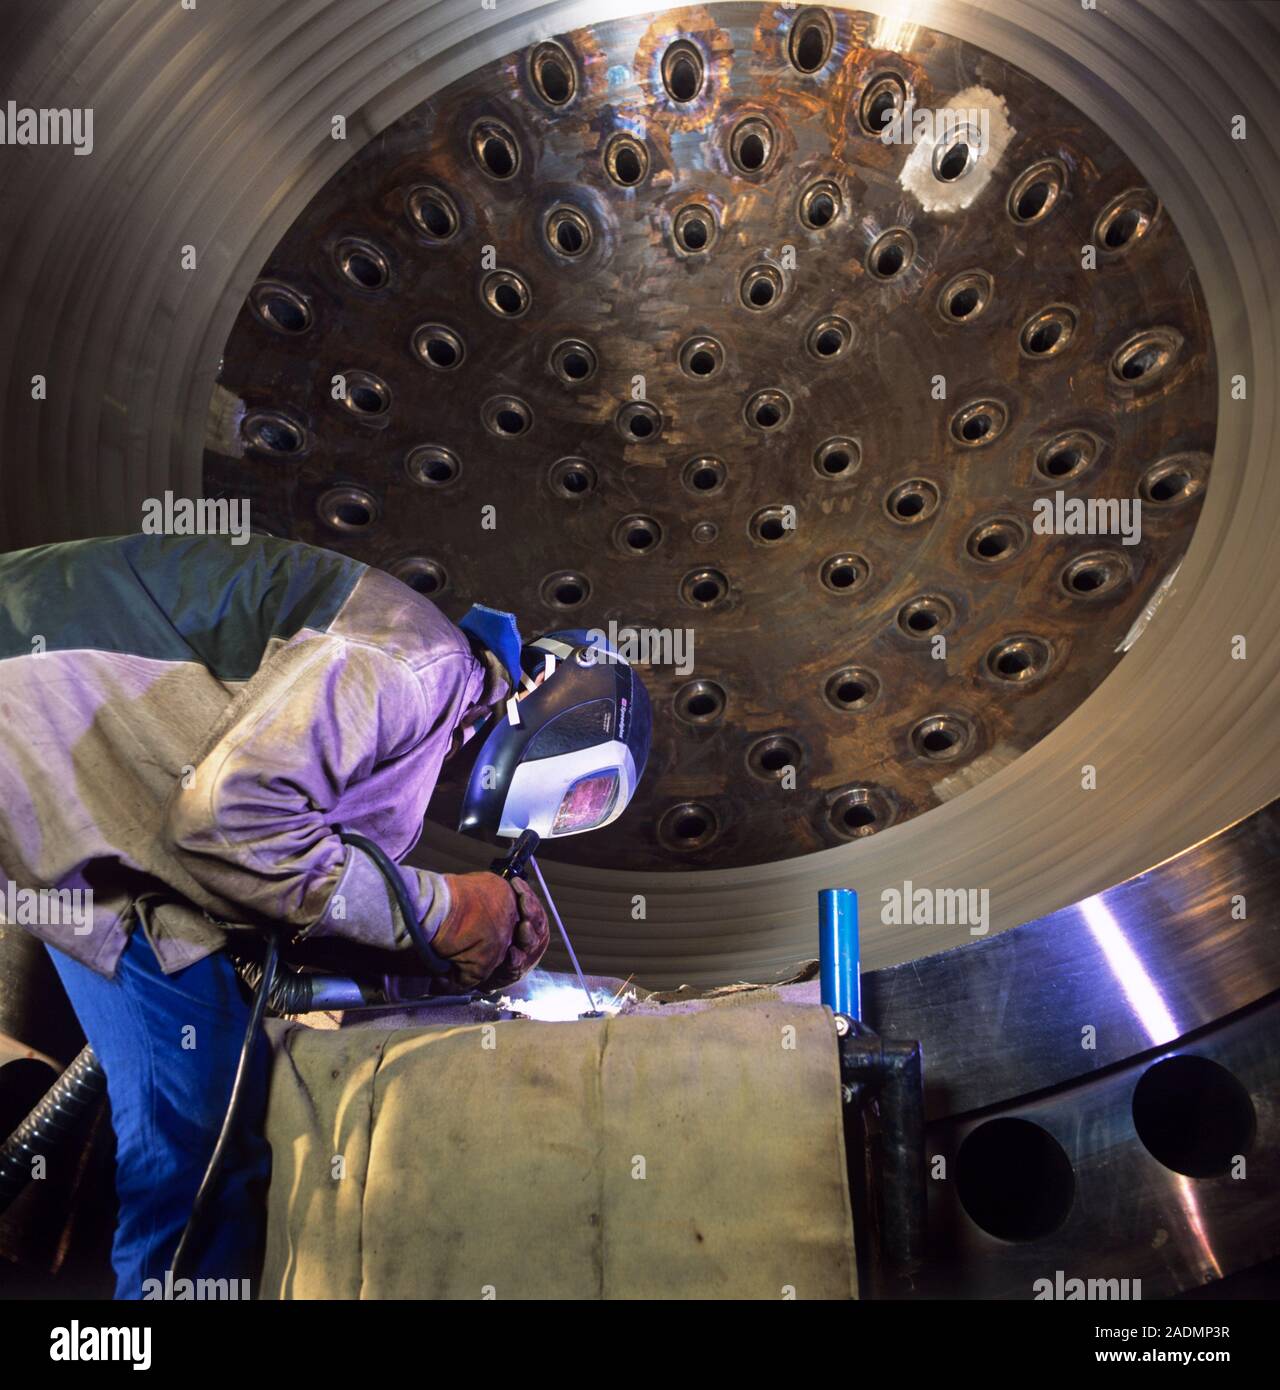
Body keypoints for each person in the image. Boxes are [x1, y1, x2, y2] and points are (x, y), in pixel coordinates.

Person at [0, 532, 556, 1297]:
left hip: (97, 830)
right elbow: (229, 825)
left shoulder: (421, 721)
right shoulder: (415, 662)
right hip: (44, 742)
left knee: (193, 1108)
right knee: (211, 1144)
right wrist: (450, 908)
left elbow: (287, 881)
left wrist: (434, 950)